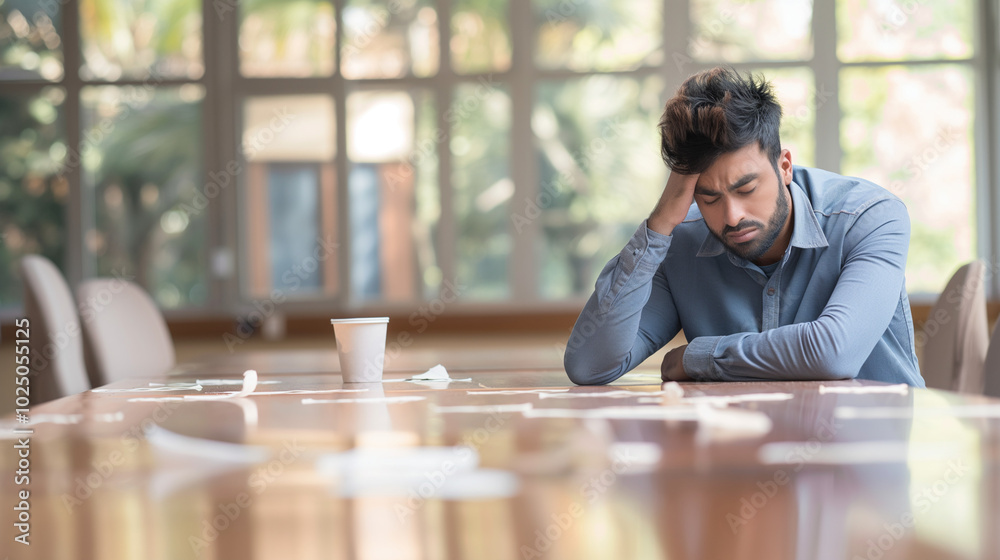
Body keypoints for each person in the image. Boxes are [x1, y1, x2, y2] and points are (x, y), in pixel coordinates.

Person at [563, 67, 925, 387]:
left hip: (869, 453)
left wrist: (698, 357)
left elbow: (832, 353)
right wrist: (659, 224)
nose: (732, 216)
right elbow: (588, 365)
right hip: (744, 452)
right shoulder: (681, 242)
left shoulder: (870, 218)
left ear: (784, 166)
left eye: (746, 188)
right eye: (708, 197)